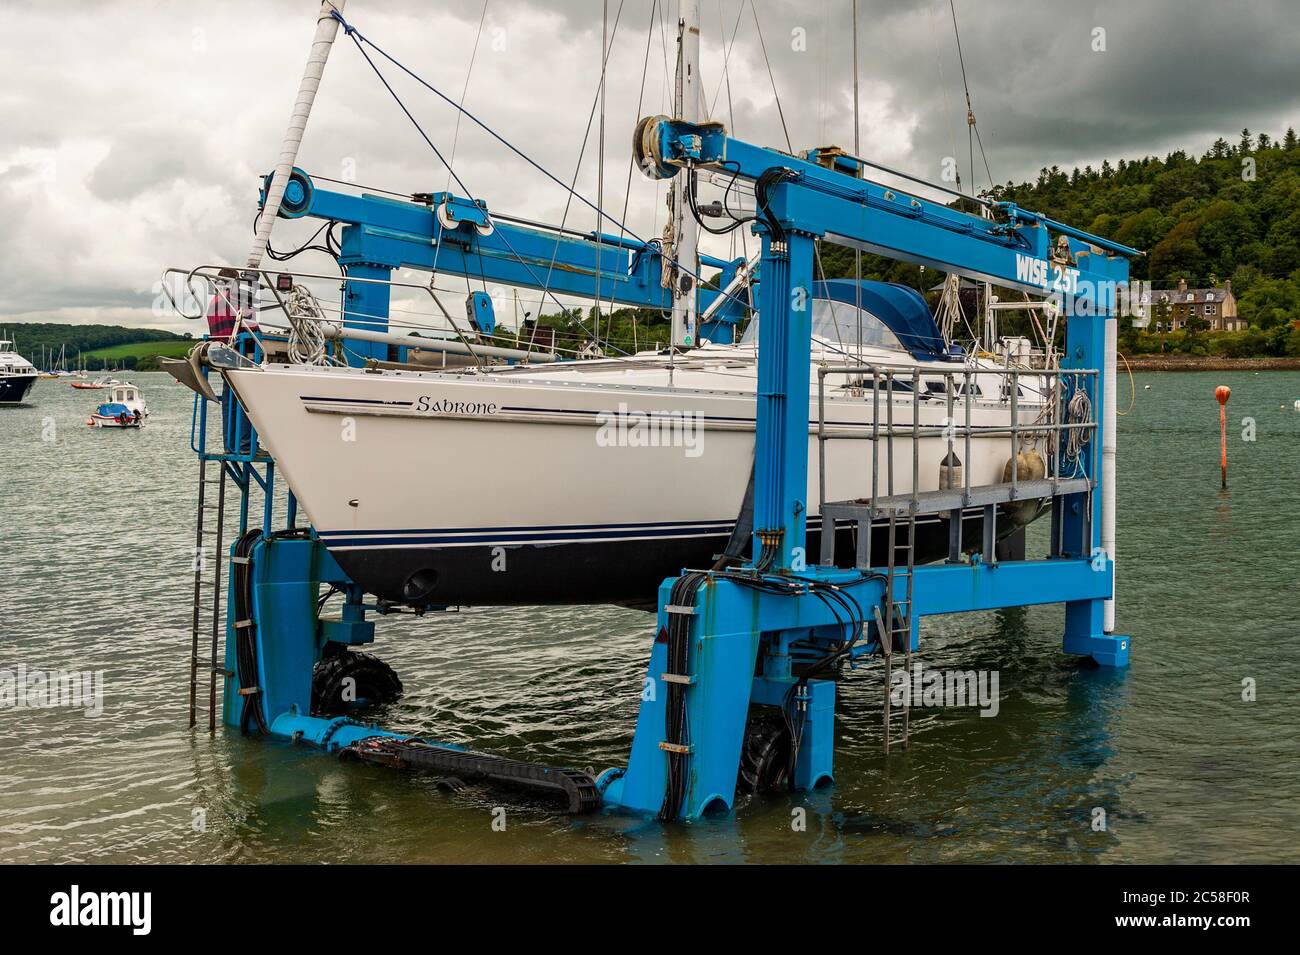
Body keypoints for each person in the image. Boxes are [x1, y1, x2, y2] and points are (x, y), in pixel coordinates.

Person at [205, 268, 260, 341]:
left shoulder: (212, 302)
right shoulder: (235, 298)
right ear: (235, 282)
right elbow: (252, 328)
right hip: (237, 347)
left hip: (218, 346)